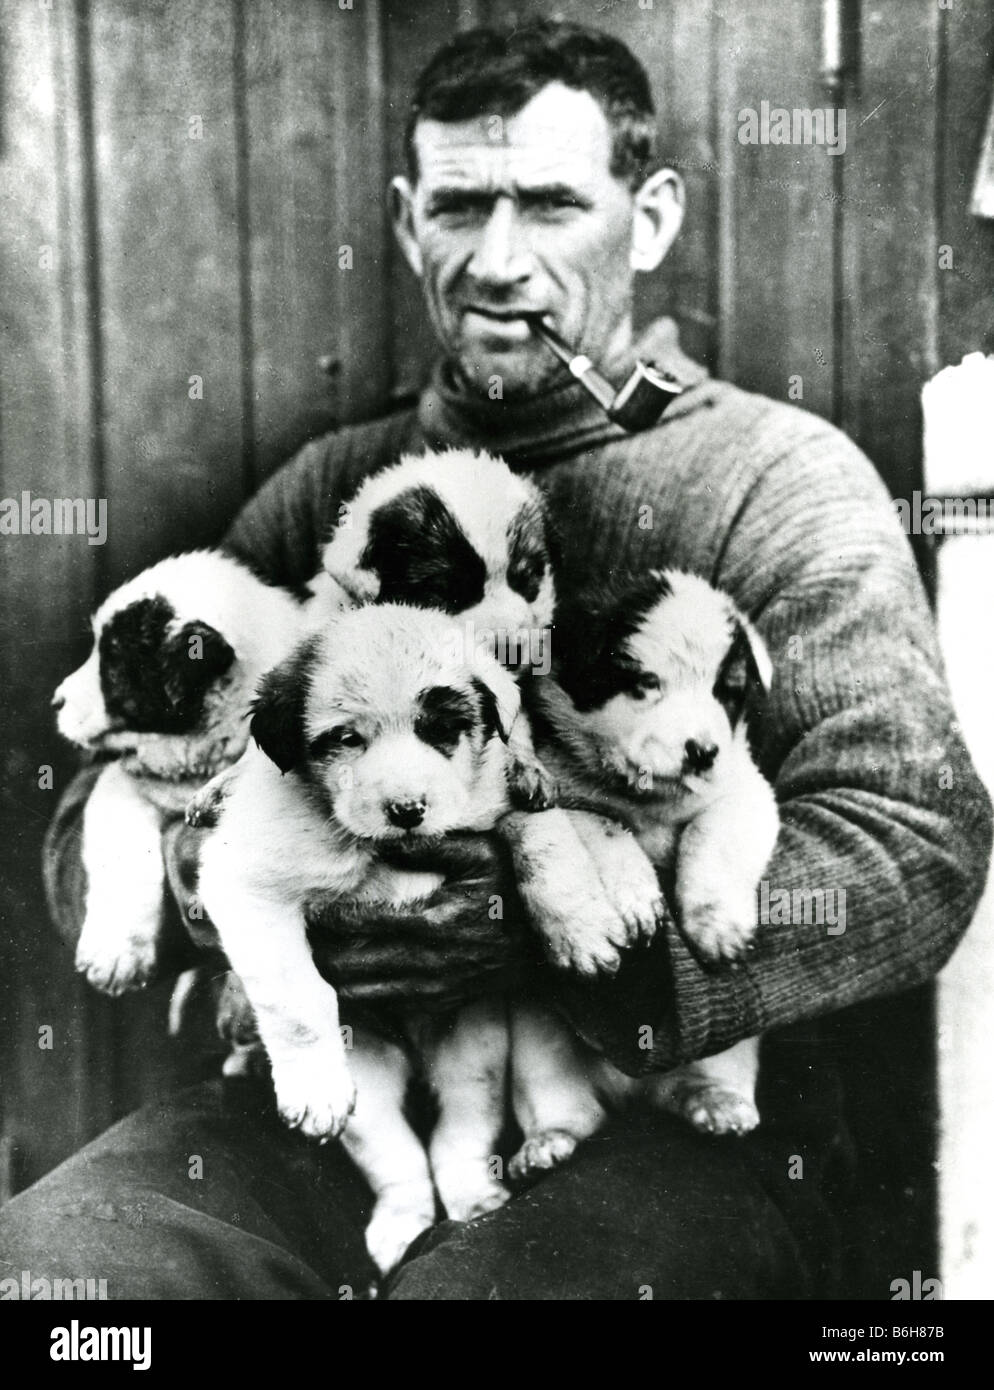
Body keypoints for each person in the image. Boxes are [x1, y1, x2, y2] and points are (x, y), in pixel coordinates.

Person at [2, 20, 990, 1301]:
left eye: (552, 203)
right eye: (463, 205)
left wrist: (550, 926)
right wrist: (228, 884)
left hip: (672, 1115)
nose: (500, 258)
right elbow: (96, 812)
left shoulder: (776, 483)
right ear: (410, 223)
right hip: (344, 1095)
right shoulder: (326, 497)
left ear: (650, 219)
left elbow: (911, 838)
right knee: (62, 1284)